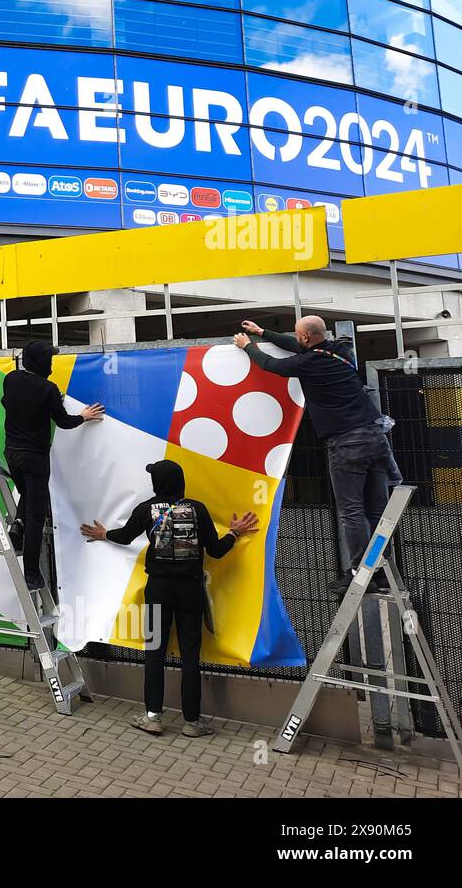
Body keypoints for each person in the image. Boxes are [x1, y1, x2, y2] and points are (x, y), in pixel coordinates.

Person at [81, 460, 259, 737]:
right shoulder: (197, 509)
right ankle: (192, 722)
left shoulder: (146, 509)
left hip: (158, 590)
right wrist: (234, 533)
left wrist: (104, 534)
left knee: (154, 652)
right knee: (190, 655)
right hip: (190, 591)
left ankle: (152, 717)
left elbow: (127, 536)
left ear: (157, 484)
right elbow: (216, 551)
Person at [234, 316, 397, 595]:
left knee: (352, 511)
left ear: (306, 338)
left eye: (299, 337)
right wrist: (264, 332)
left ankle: (361, 570)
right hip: (375, 438)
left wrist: (248, 345)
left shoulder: (309, 363)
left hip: (346, 444)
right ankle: (380, 570)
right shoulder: (338, 352)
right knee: (377, 511)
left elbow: (271, 365)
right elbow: (296, 346)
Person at [2, 340, 104, 589]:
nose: (51, 364)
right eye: (49, 359)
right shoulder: (48, 389)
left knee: (25, 494)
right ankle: (32, 574)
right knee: (36, 515)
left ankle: (17, 525)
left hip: (12, 453)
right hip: (34, 458)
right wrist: (84, 416)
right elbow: (65, 422)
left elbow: (8, 402)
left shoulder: (11, 379)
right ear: (41, 361)